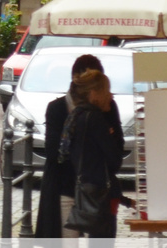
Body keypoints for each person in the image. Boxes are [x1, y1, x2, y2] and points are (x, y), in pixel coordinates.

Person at [35, 54, 121, 238]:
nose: (109, 94)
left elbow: (117, 152)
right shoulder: (59, 108)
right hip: (66, 187)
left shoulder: (107, 108)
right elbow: (53, 153)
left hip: (98, 192)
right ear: (92, 90)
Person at [57, 69, 125, 239]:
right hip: (101, 195)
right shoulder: (96, 119)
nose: (111, 95)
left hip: (85, 190)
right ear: (95, 93)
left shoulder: (76, 116)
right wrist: (111, 136)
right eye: (107, 90)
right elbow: (115, 161)